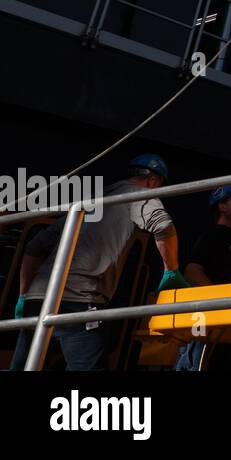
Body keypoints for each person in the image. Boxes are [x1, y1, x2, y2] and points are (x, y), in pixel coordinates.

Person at [9, 154, 188, 370]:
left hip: (37, 300)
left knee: (26, 366)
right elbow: (162, 225)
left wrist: (23, 295)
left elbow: (35, 246)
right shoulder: (139, 194)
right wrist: (171, 271)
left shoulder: (90, 200)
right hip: (78, 300)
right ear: (153, 182)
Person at [174, 184, 231, 371]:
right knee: (200, 363)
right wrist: (221, 300)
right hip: (209, 317)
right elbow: (192, 271)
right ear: (222, 206)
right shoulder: (212, 236)